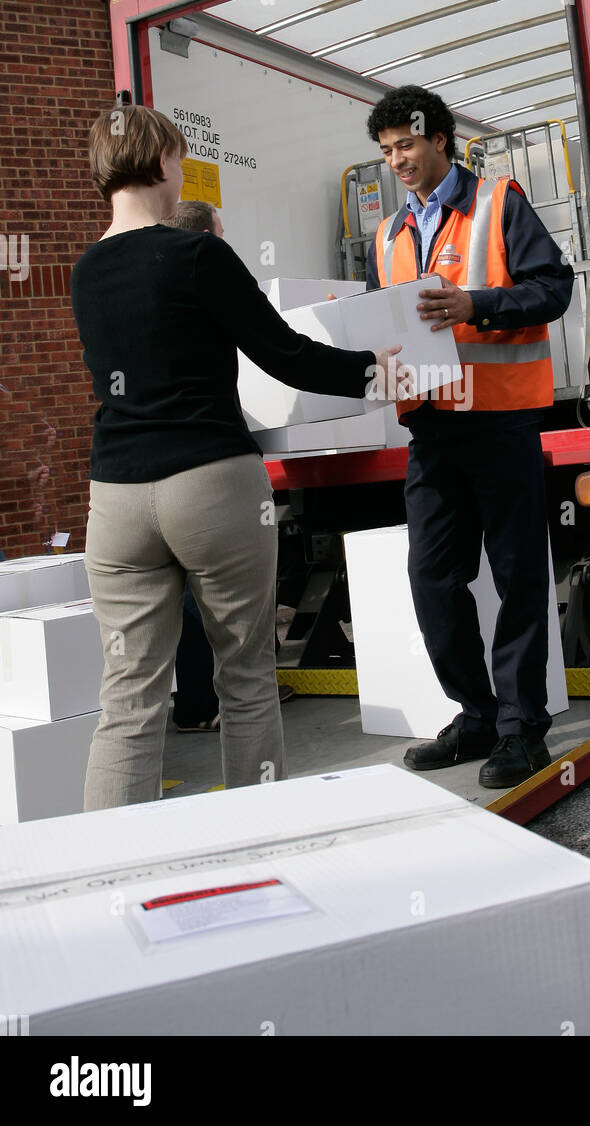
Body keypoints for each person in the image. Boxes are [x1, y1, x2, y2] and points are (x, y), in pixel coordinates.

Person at [72, 104, 407, 809]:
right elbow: (286, 356)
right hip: (211, 483)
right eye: (179, 159)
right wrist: (374, 373)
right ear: (163, 163)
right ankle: (256, 854)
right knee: (247, 677)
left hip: (116, 498)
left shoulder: (87, 271)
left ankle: (103, 882)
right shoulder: (197, 253)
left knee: (128, 700)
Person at [366, 85, 573, 788]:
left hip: (500, 417)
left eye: (407, 145)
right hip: (430, 426)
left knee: (515, 573)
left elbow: (553, 286)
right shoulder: (388, 234)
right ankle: (475, 713)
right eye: (387, 150)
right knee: (430, 575)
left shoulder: (497, 200)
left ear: (440, 140)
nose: (398, 160)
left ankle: (521, 729)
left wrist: (476, 305)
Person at [163, 197, 294, 724]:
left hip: (140, 480)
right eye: (221, 234)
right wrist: (366, 371)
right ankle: (227, 707)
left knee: (184, 599)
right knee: (232, 606)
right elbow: (284, 353)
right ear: (206, 239)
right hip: (212, 470)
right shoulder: (209, 279)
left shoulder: (134, 285)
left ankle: (194, 703)